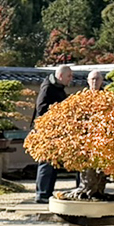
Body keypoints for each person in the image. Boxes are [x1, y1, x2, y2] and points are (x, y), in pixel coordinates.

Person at [32, 64, 73, 203]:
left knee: (52, 163)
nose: (71, 79)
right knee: (47, 162)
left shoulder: (57, 87)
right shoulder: (48, 87)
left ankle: (46, 193)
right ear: (60, 76)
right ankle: (42, 194)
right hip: (47, 131)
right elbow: (41, 109)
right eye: (69, 76)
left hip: (54, 130)